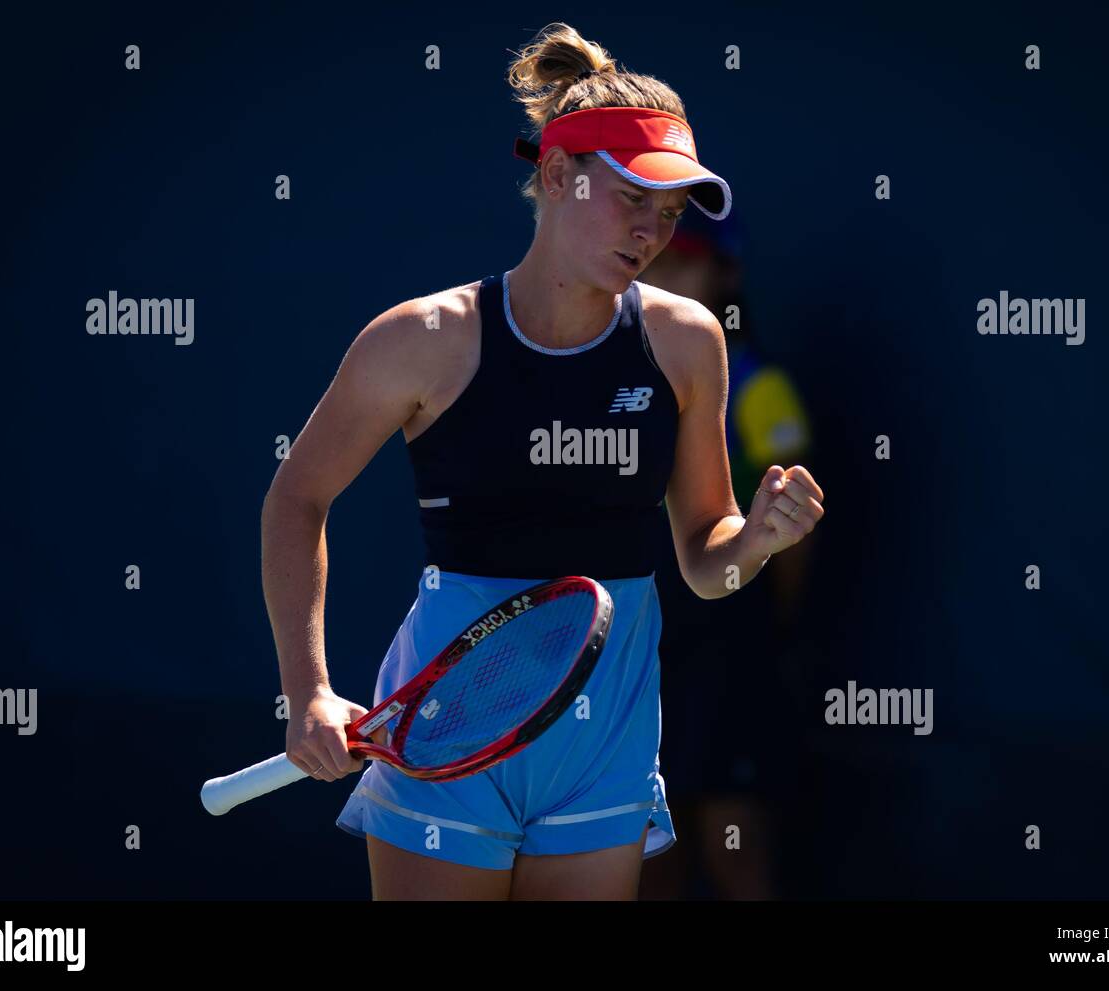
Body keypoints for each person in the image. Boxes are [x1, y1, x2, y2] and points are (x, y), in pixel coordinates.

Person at [259, 21, 825, 901]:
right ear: (559, 176)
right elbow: (297, 497)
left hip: (606, 740)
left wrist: (753, 539)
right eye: (634, 198)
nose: (653, 231)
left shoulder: (688, 343)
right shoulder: (421, 340)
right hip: (449, 731)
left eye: (669, 213)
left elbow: (706, 561)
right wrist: (311, 693)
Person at [637, 205, 818, 899]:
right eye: (656, 255)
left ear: (727, 271)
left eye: (687, 255)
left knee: (733, 841)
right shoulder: (618, 378)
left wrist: (770, 631)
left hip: (730, 652)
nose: (666, 271)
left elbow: (799, 531)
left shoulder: (758, 385)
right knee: (653, 849)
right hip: (643, 652)